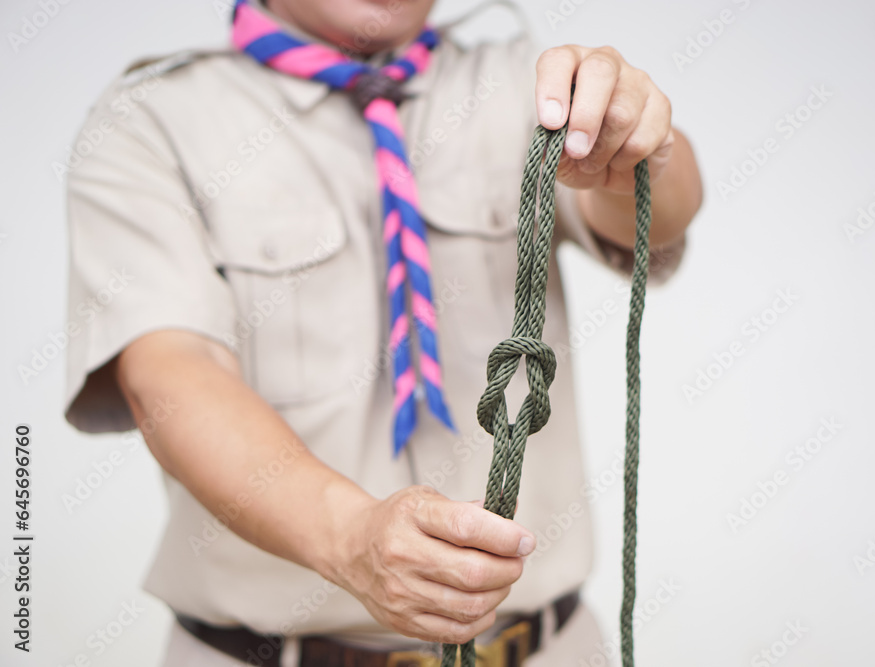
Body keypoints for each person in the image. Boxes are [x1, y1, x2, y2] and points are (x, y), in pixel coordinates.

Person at [63, 0, 702, 663]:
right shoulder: (150, 122)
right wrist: (352, 538)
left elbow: (656, 219)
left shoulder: (530, 88)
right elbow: (171, 372)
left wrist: (644, 155)